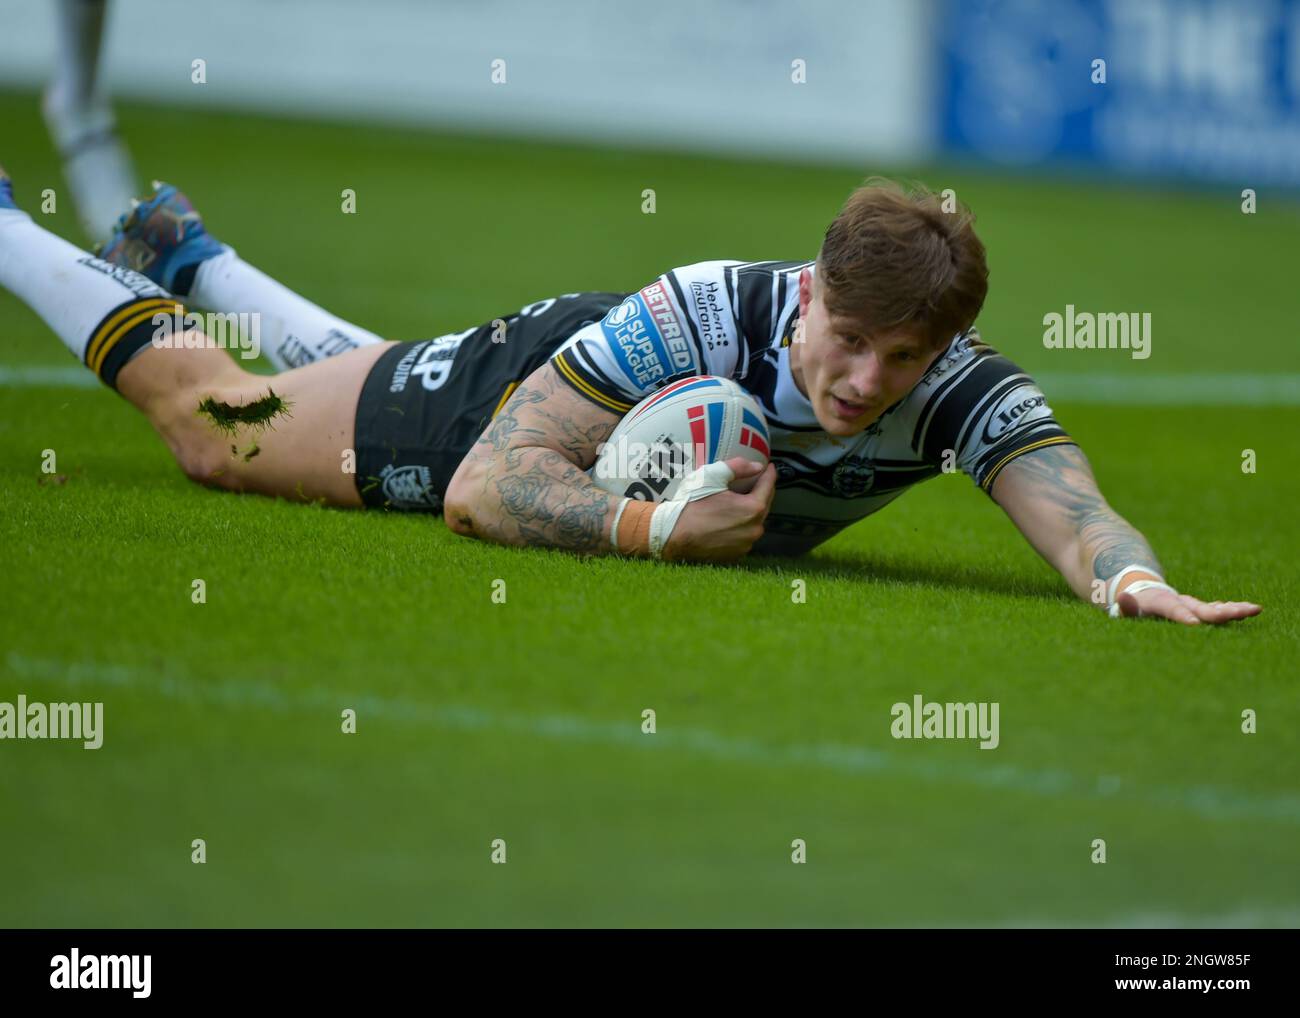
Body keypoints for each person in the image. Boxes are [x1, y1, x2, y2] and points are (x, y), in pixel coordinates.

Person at [0, 168, 1260, 625]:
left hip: (585, 388)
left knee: (342, 368)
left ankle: (189, 257)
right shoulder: (713, 308)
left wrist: (1131, 583)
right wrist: (651, 530)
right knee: (225, 429)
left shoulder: (956, 390)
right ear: (813, 294)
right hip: (503, 398)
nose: (867, 383)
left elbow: (1080, 517)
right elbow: (490, 481)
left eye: (908, 360)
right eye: (856, 341)